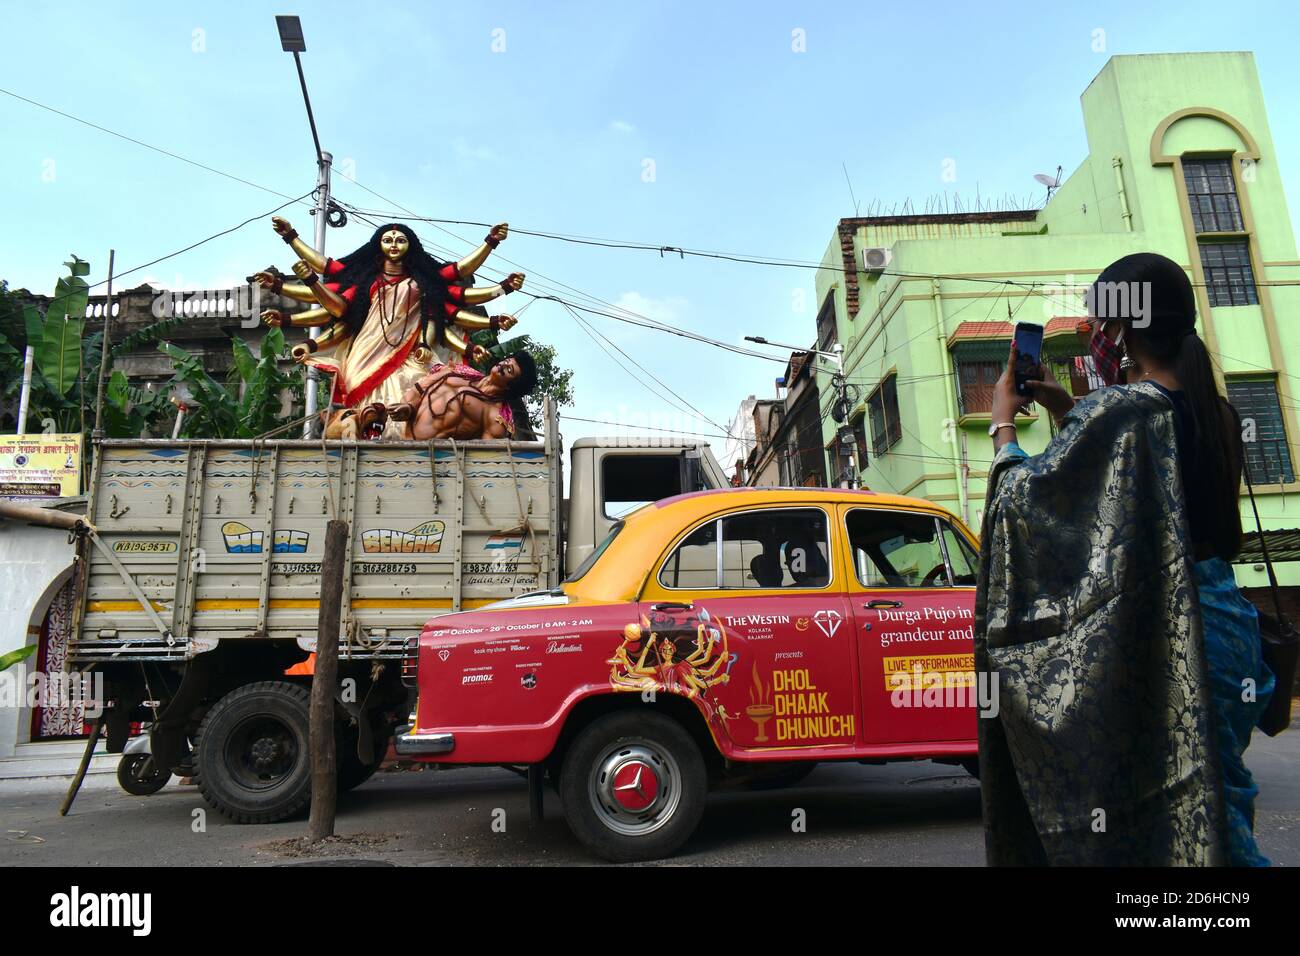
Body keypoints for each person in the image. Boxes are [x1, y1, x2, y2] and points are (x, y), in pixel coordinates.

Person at [975, 252, 1274, 866]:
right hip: (1227, 626)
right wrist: (1070, 410)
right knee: (1217, 806)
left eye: (1096, 325)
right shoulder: (1214, 411)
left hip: (1166, 636)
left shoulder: (1122, 412)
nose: (1092, 337)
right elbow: (1135, 485)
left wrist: (1004, 428)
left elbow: (1024, 509)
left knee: (1190, 832)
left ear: (1123, 330)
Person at [253, 219, 526, 416]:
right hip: (365, 350)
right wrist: (290, 242)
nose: (394, 245)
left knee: (416, 383)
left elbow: (456, 293)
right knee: (362, 406)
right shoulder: (363, 281)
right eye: (388, 240)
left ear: (410, 246)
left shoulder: (424, 283)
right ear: (378, 245)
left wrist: (495, 262)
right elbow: (334, 305)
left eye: (400, 240)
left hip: (409, 351)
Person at [387, 350, 538, 440]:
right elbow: (418, 389)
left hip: (430, 467)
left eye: (509, 370)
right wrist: (408, 407)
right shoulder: (460, 371)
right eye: (506, 361)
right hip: (399, 445)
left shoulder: (494, 416)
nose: (503, 365)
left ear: (511, 386)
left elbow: (484, 461)